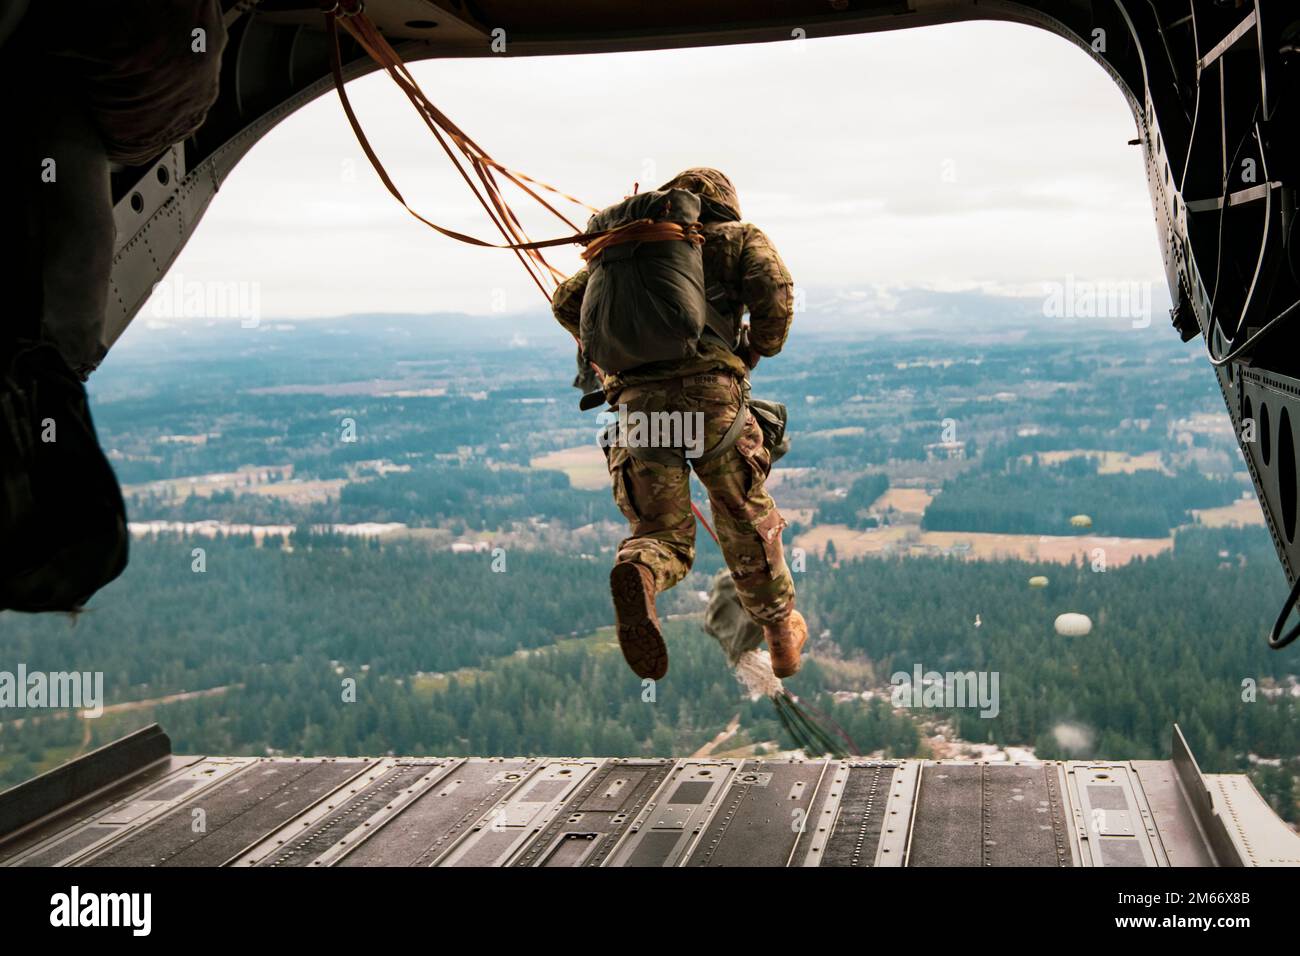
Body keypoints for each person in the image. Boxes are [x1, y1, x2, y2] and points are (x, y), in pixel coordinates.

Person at [552, 168, 806, 681]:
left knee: (661, 532)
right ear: (725, 204)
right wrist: (754, 348)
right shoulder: (738, 239)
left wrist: (625, 356)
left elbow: (566, 302)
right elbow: (774, 304)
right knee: (744, 520)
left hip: (641, 412)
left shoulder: (629, 248)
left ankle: (641, 571)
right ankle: (780, 634)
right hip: (713, 405)